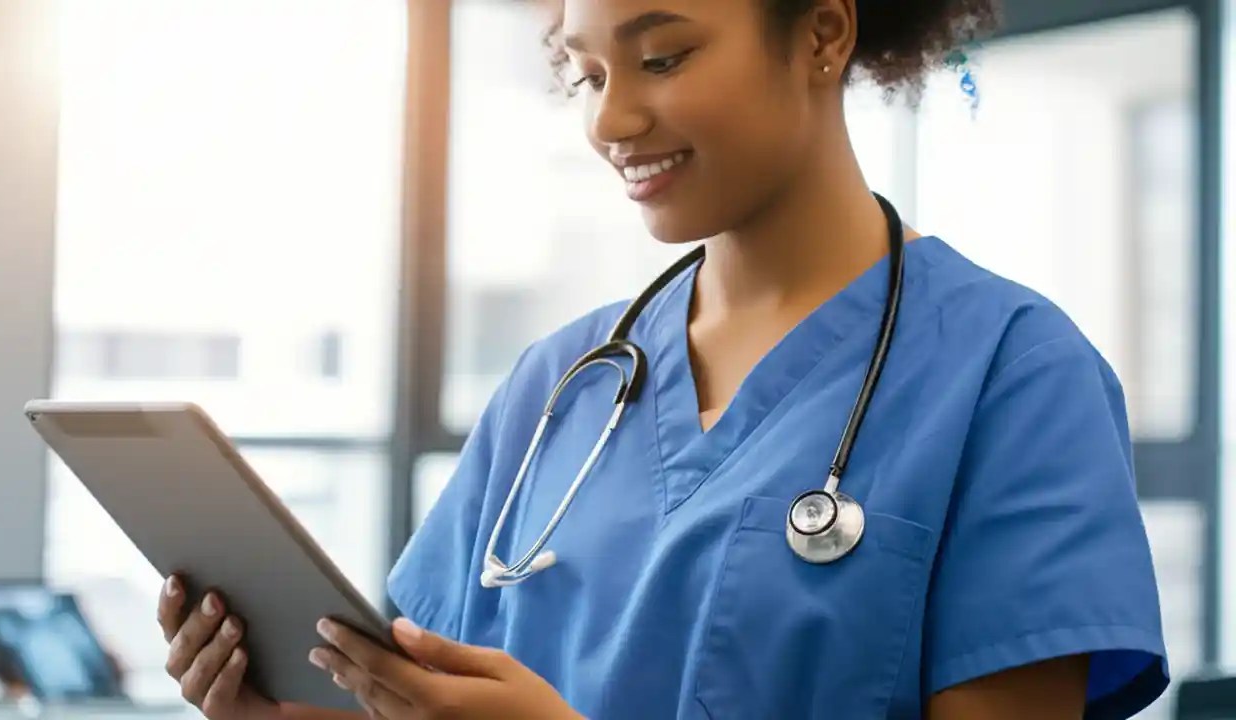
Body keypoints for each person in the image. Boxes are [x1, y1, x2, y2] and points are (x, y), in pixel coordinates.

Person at [157, 0, 1170, 717]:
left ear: (821, 30)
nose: (609, 119)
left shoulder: (1011, 375)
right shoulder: (558, 386)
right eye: (588, 71)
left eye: (663, 57)